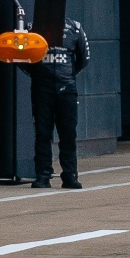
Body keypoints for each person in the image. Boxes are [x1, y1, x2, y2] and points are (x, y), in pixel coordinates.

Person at [23, 17, 89, 189]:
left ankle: (70, 175)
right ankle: (43, 175)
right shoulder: (32, 28)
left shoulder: (75, 27)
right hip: (42, 89)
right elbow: (22, 57)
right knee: (43, 132)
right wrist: (37, 75)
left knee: (68, 134)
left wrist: (68, 76)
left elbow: (84, 57)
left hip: (66, 88)